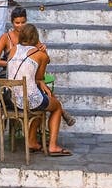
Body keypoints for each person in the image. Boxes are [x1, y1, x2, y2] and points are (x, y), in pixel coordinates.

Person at [7, 23, 71, 155]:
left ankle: (32, 142)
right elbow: (39, 77)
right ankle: (53, 146)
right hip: (29, 100)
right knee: (56, 106)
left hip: (12, 100)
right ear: (36, 38)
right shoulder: (41, 55)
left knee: (40, 100)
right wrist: (43, 51)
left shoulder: (13, 50)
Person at [0, 7, 30, 73]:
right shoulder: (5, 37)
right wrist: (12, 63)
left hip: (27, 73)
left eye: (23, 22)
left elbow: (46, 59)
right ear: (12, 22)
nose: (20, 25)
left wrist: (42, 49)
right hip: (9, 74)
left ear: (26, 21)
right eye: (17, 23)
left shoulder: (30, 35)